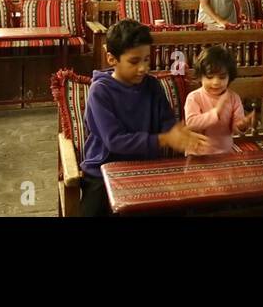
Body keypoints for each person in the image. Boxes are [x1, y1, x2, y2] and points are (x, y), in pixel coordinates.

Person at [79, 20, 209, 216]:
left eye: (147, 59)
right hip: (103, 172)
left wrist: (179, 135)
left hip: (146, 167)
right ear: (112, 59)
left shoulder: (152, 86)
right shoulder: (100, 91)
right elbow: (115, 141)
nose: (143, 68)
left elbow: (166, 123)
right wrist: (164, 139)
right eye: (134, 61)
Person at [183, 47, 255, 155]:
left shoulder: (233, 98)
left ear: (229, 77)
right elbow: (192, 123)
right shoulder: (194, 97)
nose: (216, 82)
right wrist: (215, 113)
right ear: (200, 77)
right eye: (210, 77)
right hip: (197, 155)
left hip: (225, 153)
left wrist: (242, 125)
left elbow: (236, 126)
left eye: (222, 77)